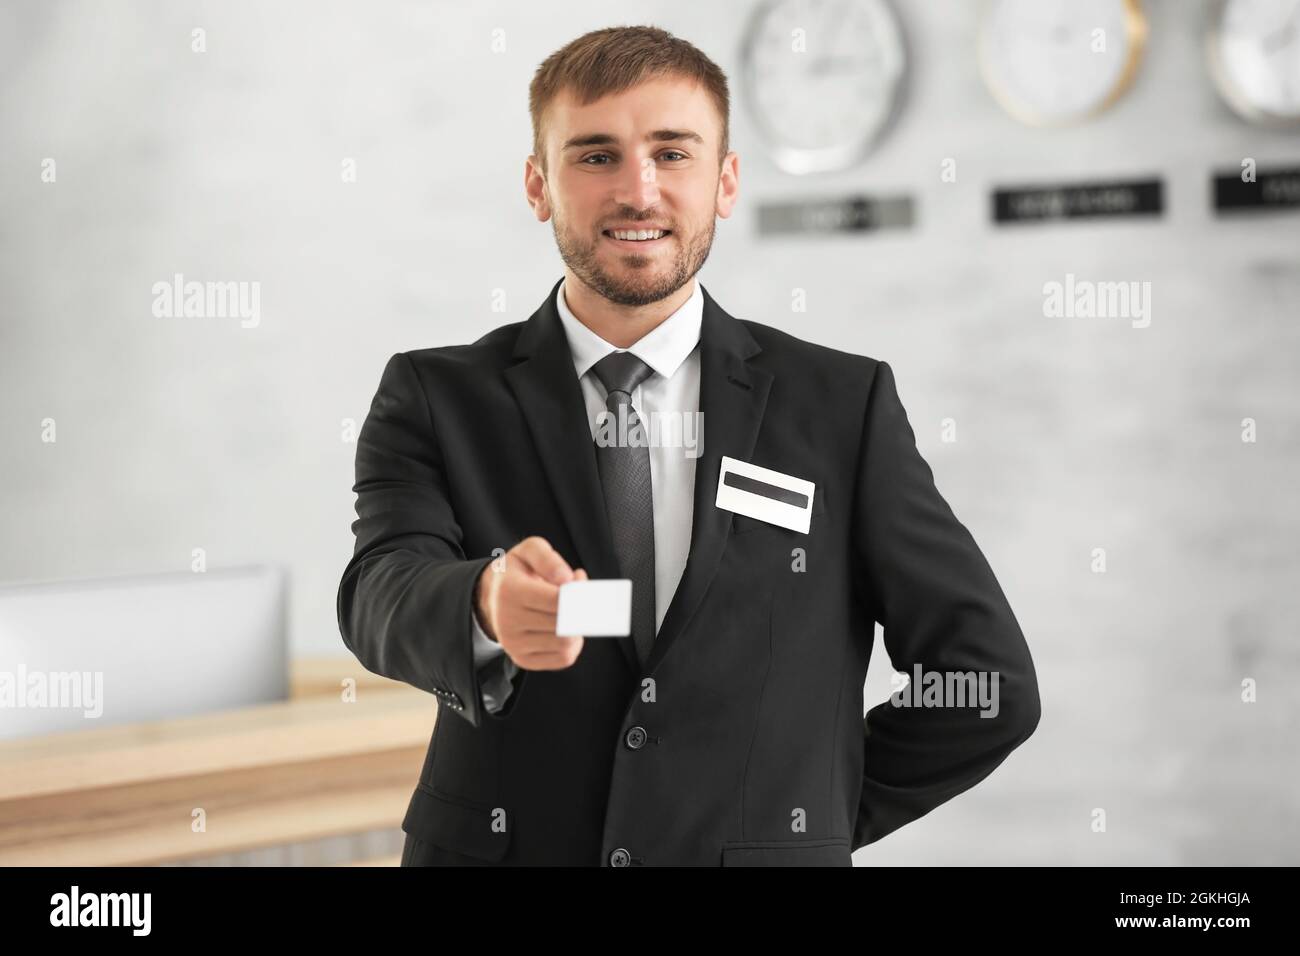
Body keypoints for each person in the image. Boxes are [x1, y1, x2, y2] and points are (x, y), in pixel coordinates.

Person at [337, 25, 1040, 867]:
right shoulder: (436, 395)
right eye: (596, 156)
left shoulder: (841, 407)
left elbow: (986, 684)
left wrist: (799, 818)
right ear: (538, 184)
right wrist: (483, 603)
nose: (640, 192)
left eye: (673, 154)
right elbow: (380, 591)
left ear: (725, 180)